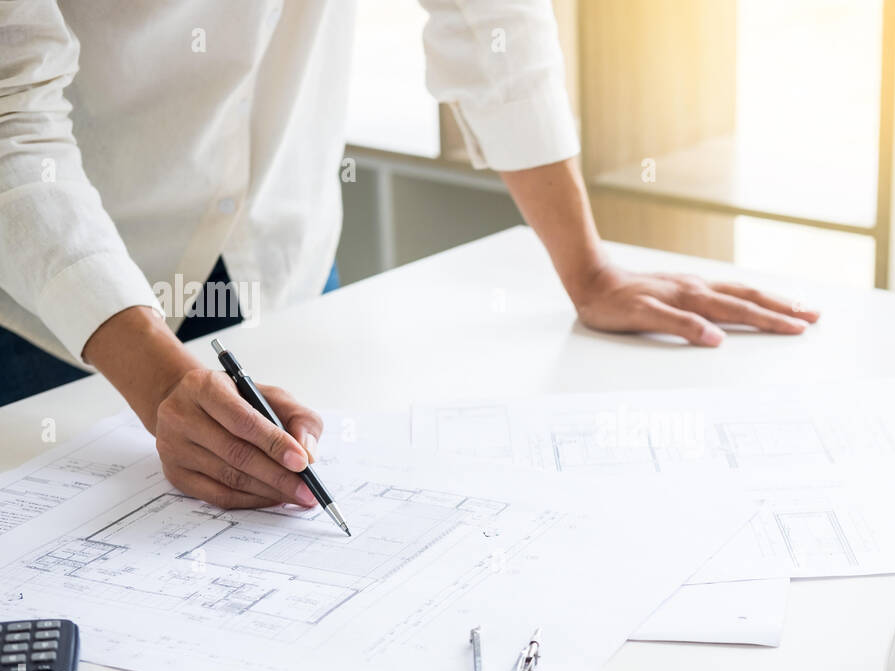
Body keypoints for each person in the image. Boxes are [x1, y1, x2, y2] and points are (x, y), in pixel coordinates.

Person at [0, 1, 817, 511]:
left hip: (284, 260)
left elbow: (486, 15)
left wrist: (587, 268)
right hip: (61, 307)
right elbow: (11, 117)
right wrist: (160, 379)